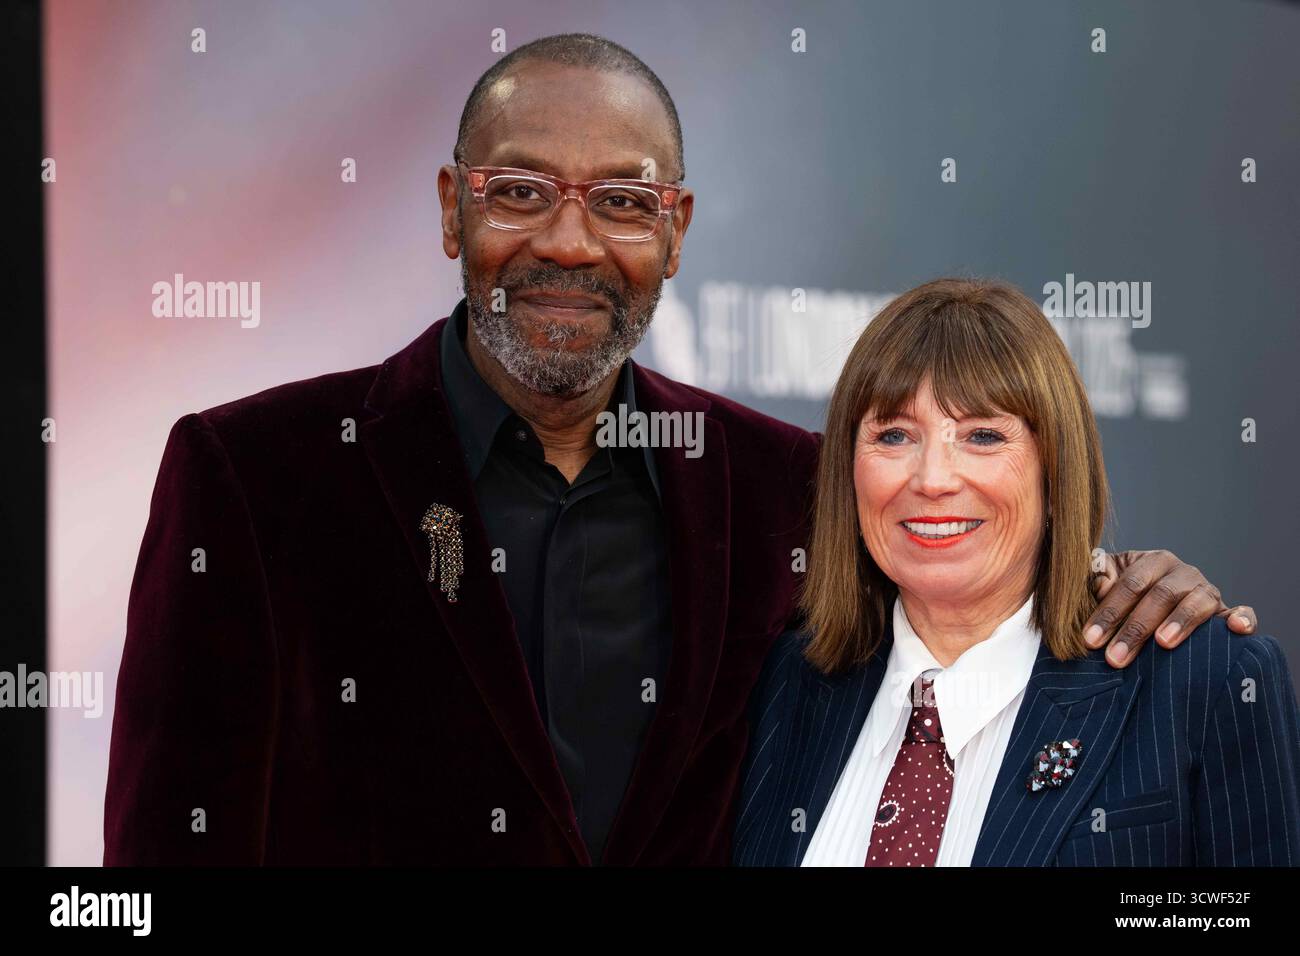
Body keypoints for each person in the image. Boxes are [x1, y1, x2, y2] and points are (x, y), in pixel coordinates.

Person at [105, 36, 1256, 867]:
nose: (567, 240)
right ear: (453, 208)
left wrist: (1115, 584)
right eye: (518, 193)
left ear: (674, 230)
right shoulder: (256, 475)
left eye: (619, 200)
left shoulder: (786, 486)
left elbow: (967, 597)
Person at [733, 278, 1300, 866]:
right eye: (894, 435)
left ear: (1055, 473)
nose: (932, 479)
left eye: (982, 436)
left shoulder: (1206, 682)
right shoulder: (788, 682)